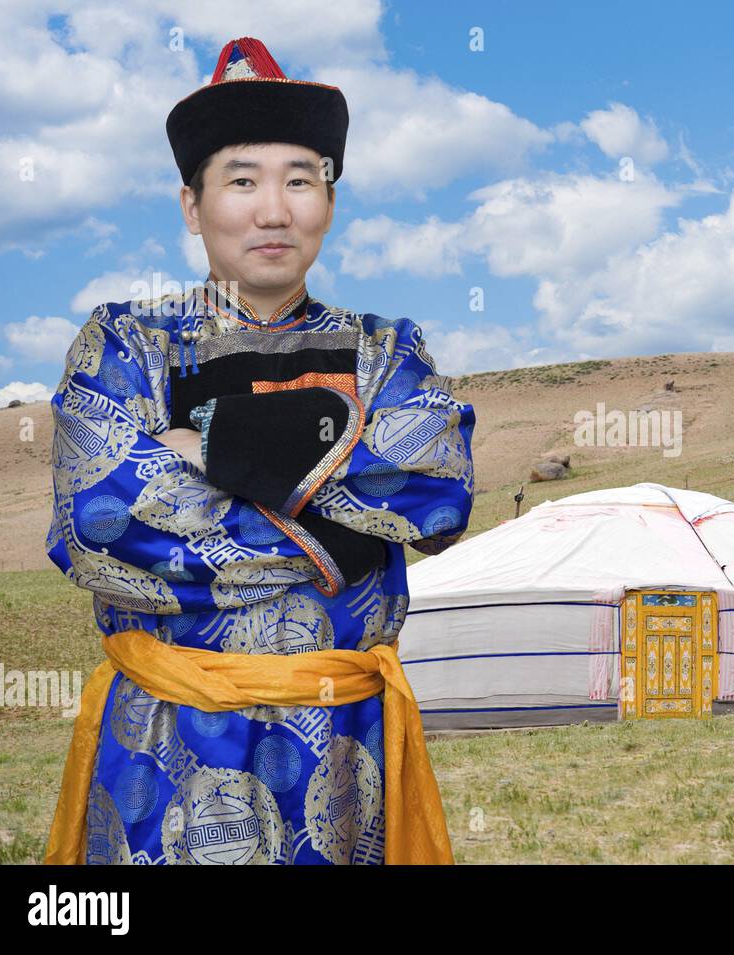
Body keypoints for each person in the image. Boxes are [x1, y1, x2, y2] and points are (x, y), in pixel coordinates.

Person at [43, 36, 474, 865]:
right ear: (191, 203)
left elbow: (435, 493)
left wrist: (211, 441)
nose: (273, 210)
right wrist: (350, 531)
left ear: (329, 201)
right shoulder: (125, 346)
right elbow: (103, 522)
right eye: (242, 180)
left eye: (300, 180)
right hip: (165, 741)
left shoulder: (387, 350)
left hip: (345, 751)